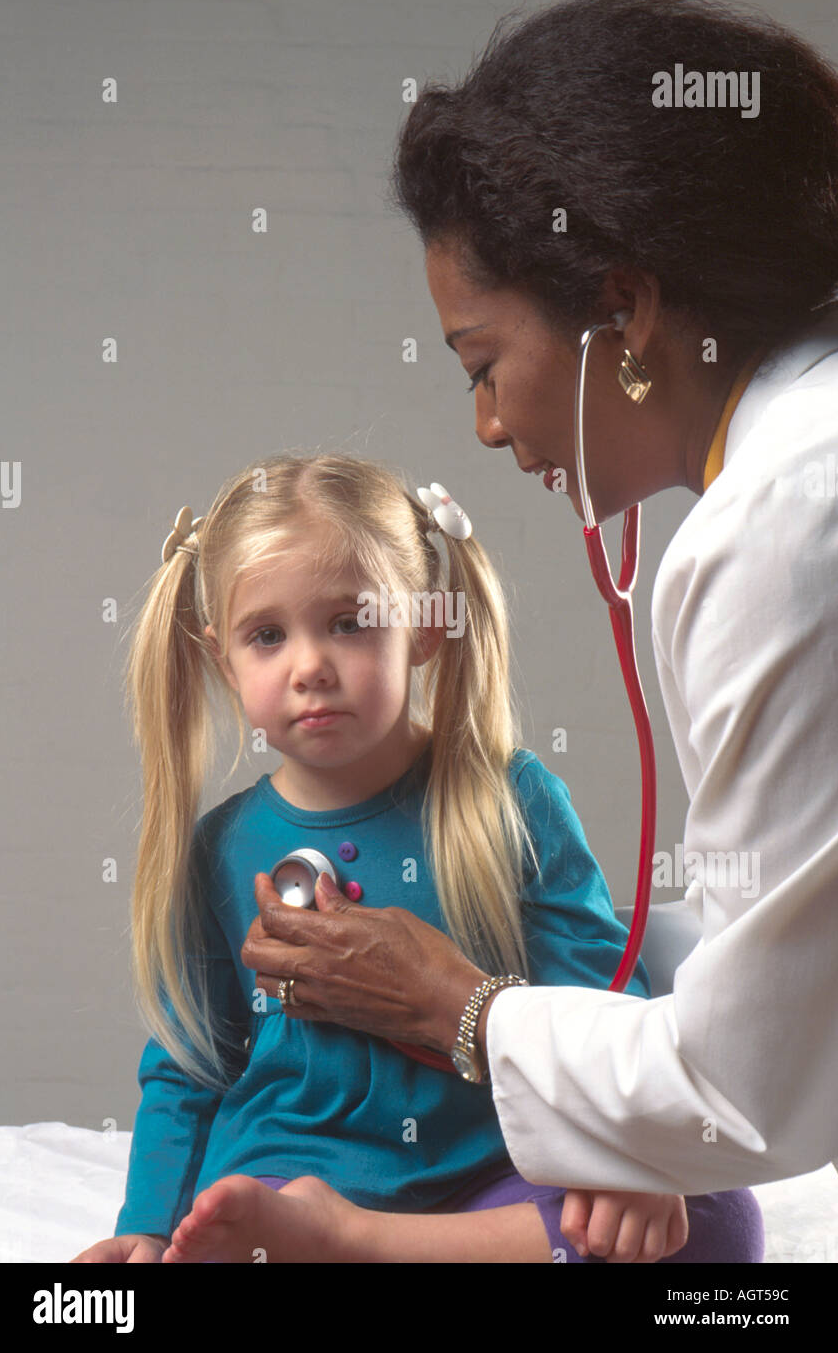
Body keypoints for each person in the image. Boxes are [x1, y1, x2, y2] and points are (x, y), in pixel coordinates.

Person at [229, 0, 838, 1240]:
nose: (489, 426)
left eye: (483, 364)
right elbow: (789, 939)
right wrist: (537, 986)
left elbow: (751, 1079)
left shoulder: (779, 529)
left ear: (623, 309)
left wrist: (455, 1003)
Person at [70, 452, 762, 1264]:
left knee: (710, 1217)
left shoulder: (513, 799)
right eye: (267, 636)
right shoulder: (220, 850)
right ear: (225, 660)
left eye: (350, 622)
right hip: (289, 1174)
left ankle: (359, 1246)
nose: (310, 666)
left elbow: (599, 995)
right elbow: (189, 1066)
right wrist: (144, 1228)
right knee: (230, 1233)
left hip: (493, 1170)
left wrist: (629, 1157)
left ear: (427, 627)